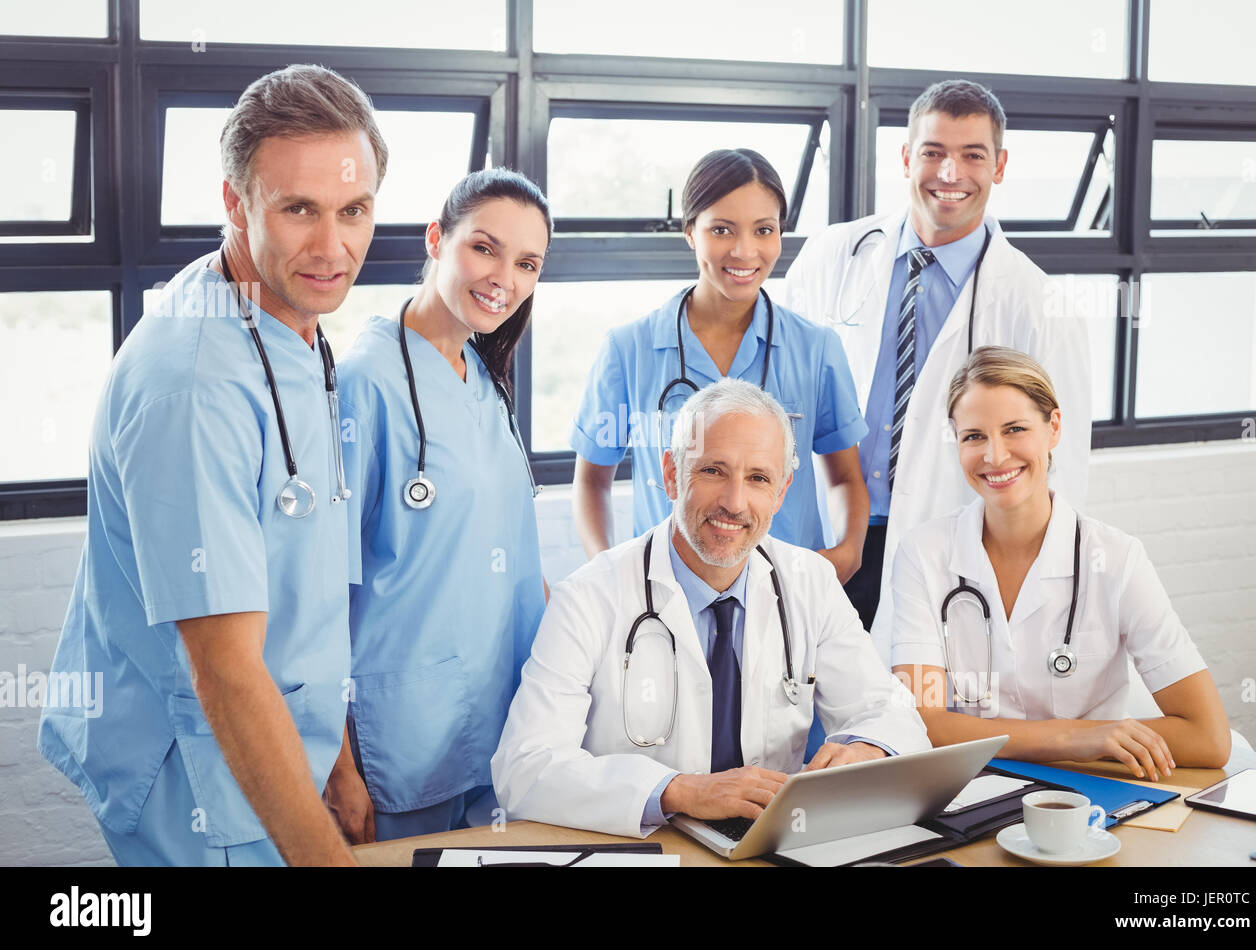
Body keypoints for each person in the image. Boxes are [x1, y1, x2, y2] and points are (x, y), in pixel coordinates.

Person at [37, 65, 387, 866]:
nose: (333, 248)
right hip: (199, 781)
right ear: (235, 203)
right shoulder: (195, 387)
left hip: (279, 745)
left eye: (354, 210)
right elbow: (225, 672)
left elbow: (300, 568)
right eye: (298, 209)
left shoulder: (292, 317)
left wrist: (333, 760)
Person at [492, 379, 930, 838]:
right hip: (646, 848)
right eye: (713, 471)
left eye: (758, 478)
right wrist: (676, 791)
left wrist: (869, 747)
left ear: (781, 492)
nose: (734, 503)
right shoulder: (587, 597)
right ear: (671, 474)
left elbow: (891, 711)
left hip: (772, 844)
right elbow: (523, 769)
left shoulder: (809, 582)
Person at [783, 78, 1091, 659]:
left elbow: (1063, 467)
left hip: (949, 549)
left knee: (913, 723)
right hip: (822, 535)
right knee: (796, 710)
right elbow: (777, 395)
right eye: (933, 152)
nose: (950, 173)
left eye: (973, 155)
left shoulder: (1037, 303)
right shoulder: (836, 255)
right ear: (905, 158)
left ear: (999, 166)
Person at [325, 169, 551, 843]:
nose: (503, 277)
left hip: (498, 729)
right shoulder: (365, 384)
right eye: (484, 248)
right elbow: (316, 595)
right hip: (400, 743)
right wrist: (337, 770)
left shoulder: (480, 374)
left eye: (527, 263)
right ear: (436, 239)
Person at [890, 347, 1230, 778]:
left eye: (1014, 429)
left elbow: (1209, 736)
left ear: (1053, 428)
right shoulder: (924, 553)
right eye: (973, 436)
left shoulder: (1116, 559)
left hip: (1087, 796)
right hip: (965, 789)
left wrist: (1087, 742)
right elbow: (924, 721)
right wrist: (1074, 737)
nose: (994, 456)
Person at [570, 148, 869, 584]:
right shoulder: (628, 350)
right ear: (691, 232)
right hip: (664, 594)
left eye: (764, 230)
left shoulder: (817, 349)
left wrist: (847, 552)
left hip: (785, 592)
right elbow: (592, 482)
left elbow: (844, 478)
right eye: (722, 229)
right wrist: (610, 572)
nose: (745, 251)